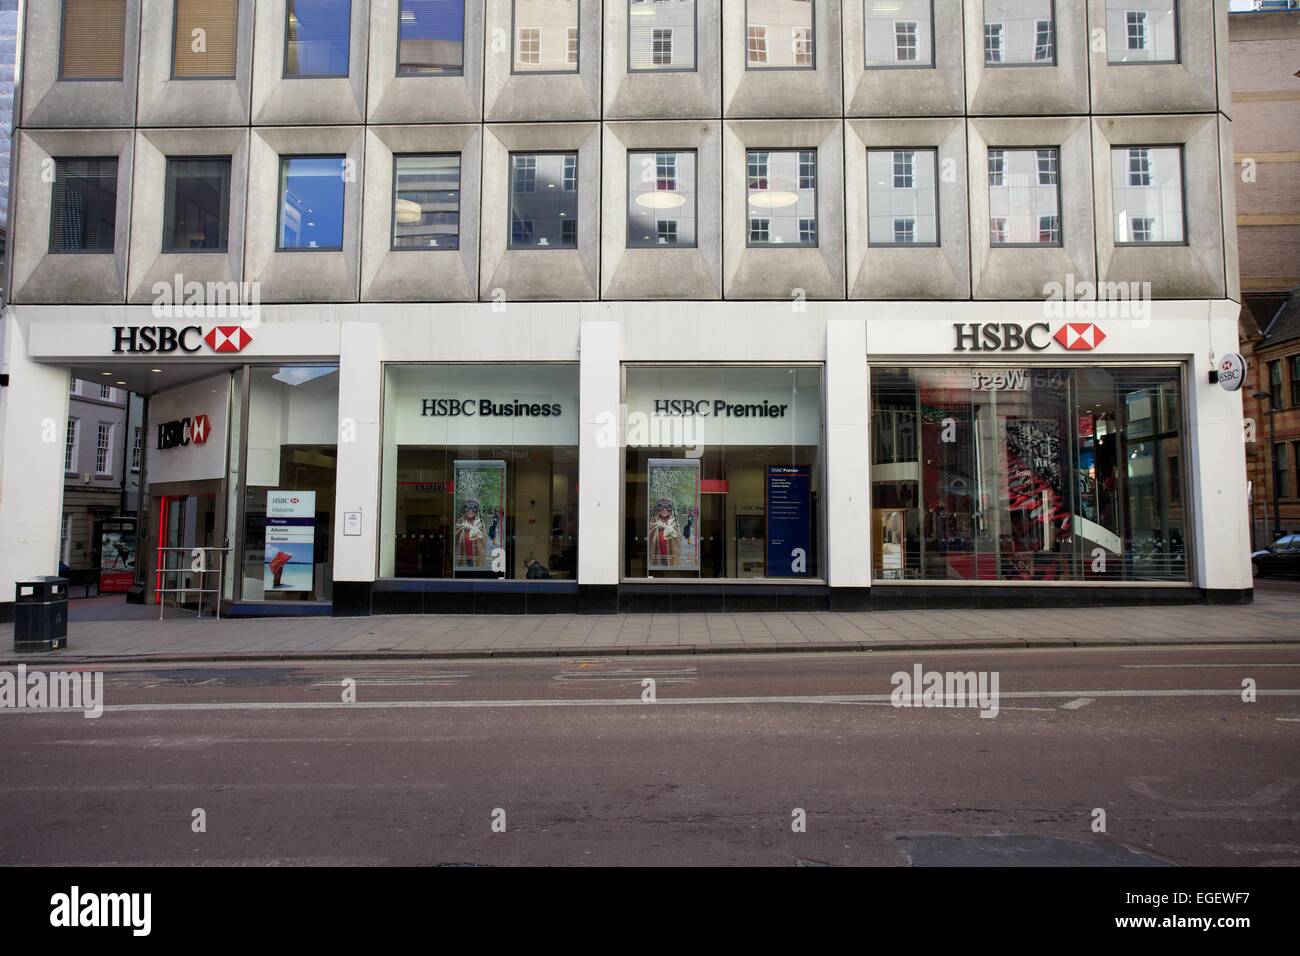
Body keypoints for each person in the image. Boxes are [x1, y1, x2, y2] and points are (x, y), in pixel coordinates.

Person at [648, 498, 684, 567]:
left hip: (670, 556)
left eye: (668, 507)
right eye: (661, 506)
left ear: (671, 509)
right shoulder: (653, 522)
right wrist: (658, 527)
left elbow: (678, 537)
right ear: (657, 509)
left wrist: (667, 527)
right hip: (657, 555)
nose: (664, 509)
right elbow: (649, 535)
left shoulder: (674, 522)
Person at [455, 499, 488, 569]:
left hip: (476, 556)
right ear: (463, 510)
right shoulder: (459, 522)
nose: (470, 511)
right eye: (467, 508)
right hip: (463, 555)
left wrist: (474, 529)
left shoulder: (480, 523)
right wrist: (464, 528)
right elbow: (455, 535)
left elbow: (484, 537)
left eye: (474, 508)